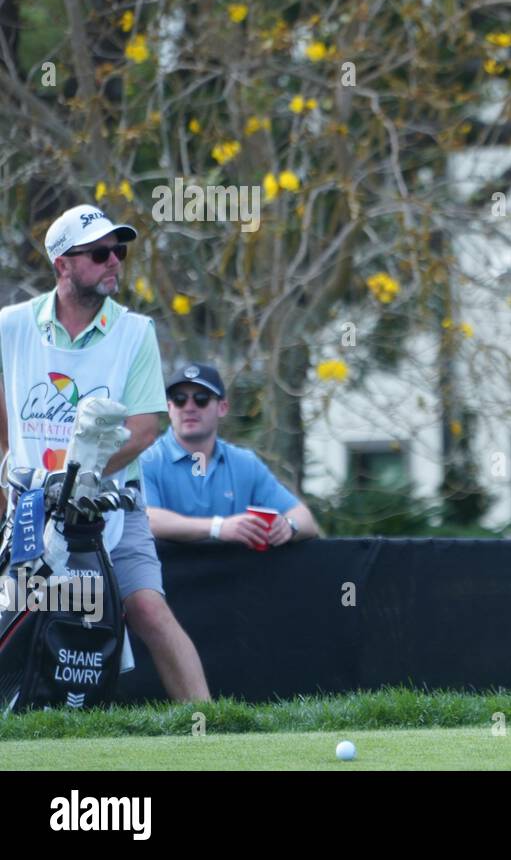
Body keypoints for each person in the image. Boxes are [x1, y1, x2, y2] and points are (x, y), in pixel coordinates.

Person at [0, 204, 210, 701]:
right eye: (99, 253)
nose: (114, 261)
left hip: (112, 505)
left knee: (147, 609)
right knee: (14, 609)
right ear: (62, 265)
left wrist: (78, 482)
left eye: (118, 251)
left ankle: (212, 729)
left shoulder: (135, 332)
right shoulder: (11, 326)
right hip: (30, 509)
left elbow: (144, 428)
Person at [140, 362, 320, 548]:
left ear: (223, 407)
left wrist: (288, 526)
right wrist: (218, 528)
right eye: (179, 399)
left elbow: (305, 520)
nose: (189, 407)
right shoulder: (146, 460)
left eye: (201, 398)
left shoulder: (245, 463)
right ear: (169, 408)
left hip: (235, 577)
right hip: (168, 576)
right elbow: (145, 519)